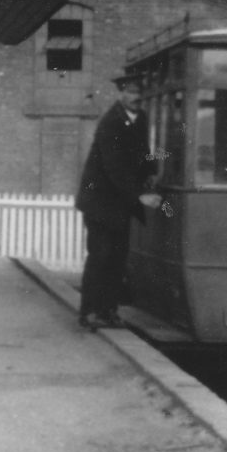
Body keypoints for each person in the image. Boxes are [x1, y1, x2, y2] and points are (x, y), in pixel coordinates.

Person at [74, 73, 162, 330]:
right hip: (100, 202)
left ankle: (108, 311)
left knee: (117, 258)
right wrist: (139, 194)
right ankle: (89, 312)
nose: (136, 98)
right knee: (100, 256)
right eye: (131, 92)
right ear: (121, 94)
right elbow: (115, 167)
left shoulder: (140, 119)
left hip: (120, 202)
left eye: (139, 93)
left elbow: (143, 153)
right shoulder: (111, 123)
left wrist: (152, 171)